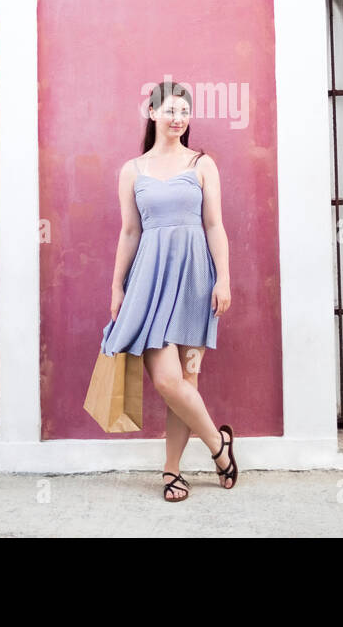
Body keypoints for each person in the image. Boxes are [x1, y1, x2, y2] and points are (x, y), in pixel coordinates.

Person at [100, 80, 237, 502]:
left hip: (195, 279)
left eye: (184, 112)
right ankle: (219, 445)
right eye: (170, 111)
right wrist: (117, 285)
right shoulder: (133, 169)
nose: (177, 119)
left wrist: (223, 277)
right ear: (153, 112)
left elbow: (214, 224)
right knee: (167, 379)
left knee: (187, 378)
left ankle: (172, 470)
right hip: (150, 282)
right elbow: (129, 231)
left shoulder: (202, 164)